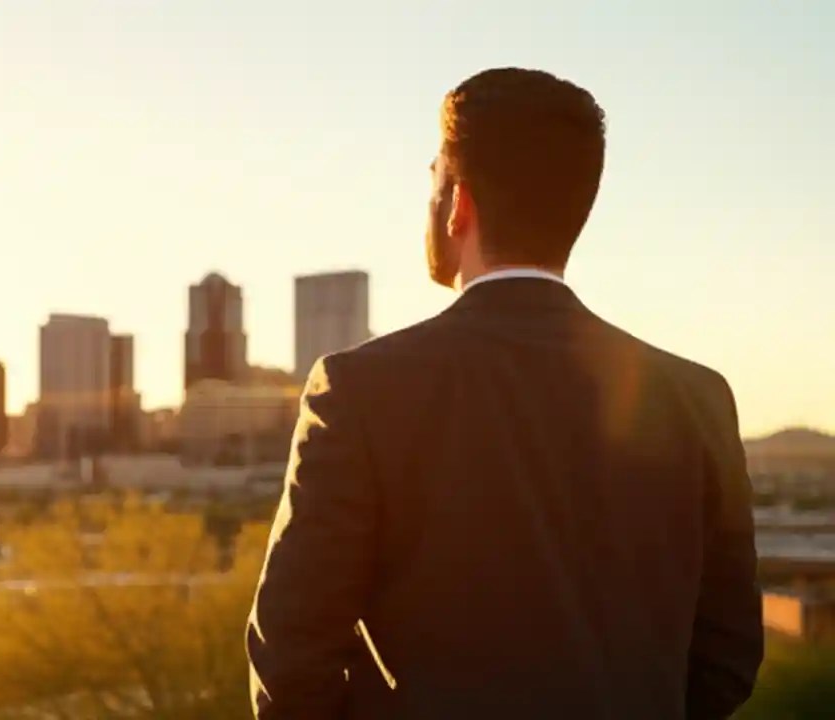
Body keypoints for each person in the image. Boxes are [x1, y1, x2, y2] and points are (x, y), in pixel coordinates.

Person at [247, 67, 762, 719]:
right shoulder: (698, 399)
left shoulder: (357, 390)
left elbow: (289, 663)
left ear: (457, 203)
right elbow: (728, 655)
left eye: (433, 180)